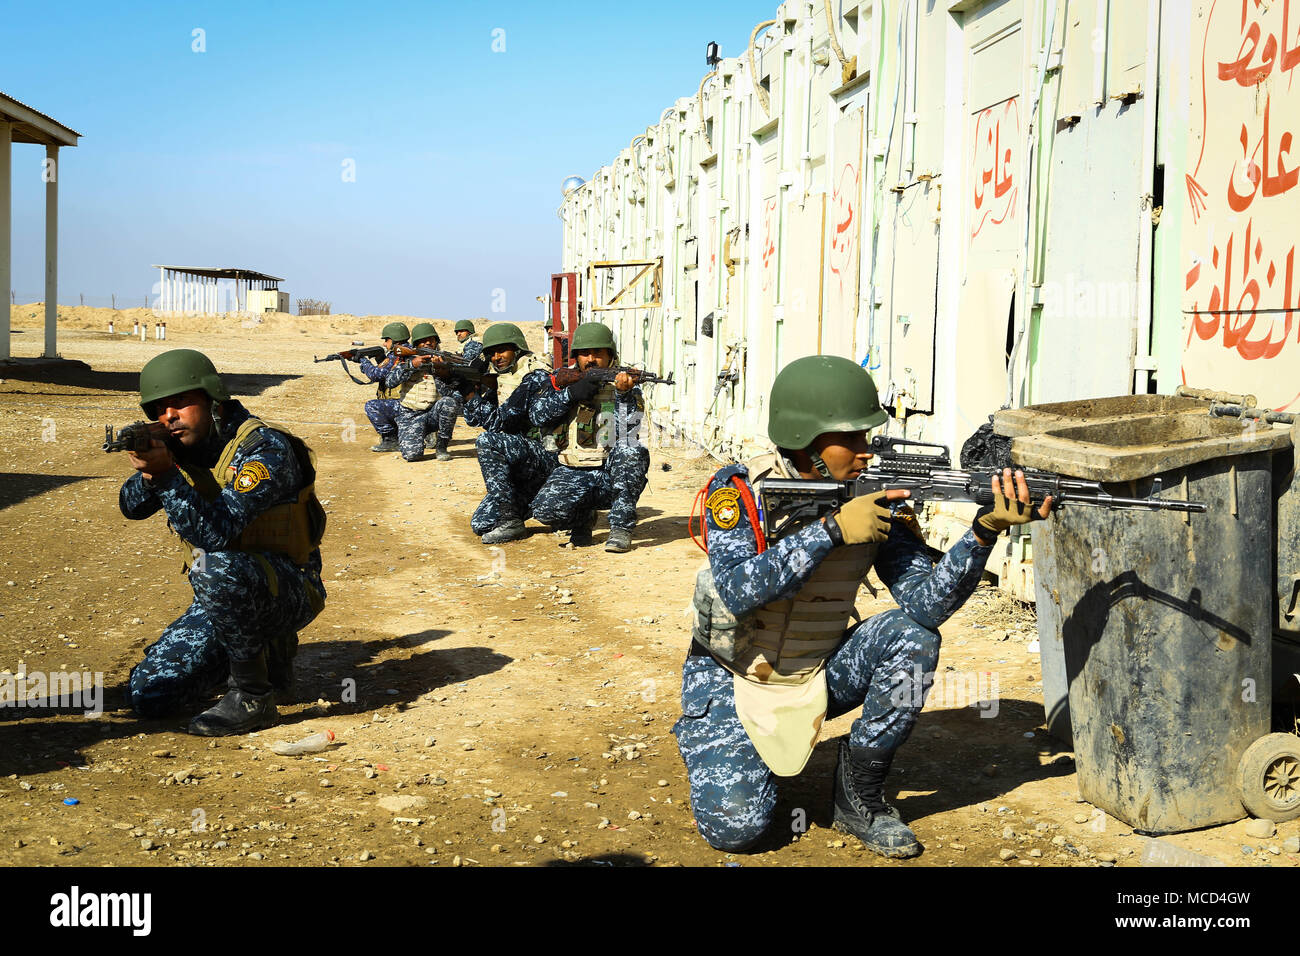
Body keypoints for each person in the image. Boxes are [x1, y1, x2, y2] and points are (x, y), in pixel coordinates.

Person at [674, 355, 1051, 857]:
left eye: (867, 439)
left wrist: (984, 532)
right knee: (739, 831)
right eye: (849, 439)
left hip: (816, 669)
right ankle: (715, 735)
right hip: (732, 674)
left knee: (913, 636)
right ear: (806, 439)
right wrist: (830, 531)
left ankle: (859, 795)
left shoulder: (878, 502)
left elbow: (925, 604)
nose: (864, 453)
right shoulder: (739, 491)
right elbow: (739, 588)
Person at [118, 349, 327, 736]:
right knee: (150, 697)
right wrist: (151, 470)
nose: (169, 416)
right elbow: (130, 507)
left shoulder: (264, 449)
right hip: (228, 597)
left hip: (290, 588)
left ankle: (252, 694)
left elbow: (216, 533)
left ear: (213, 399)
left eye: (180, 403)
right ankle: (258, 654)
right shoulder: (182, 450)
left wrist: (167, 476)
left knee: (212, 564)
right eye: (159, 409)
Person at [528, 322, 650, 553]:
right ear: (576, 356)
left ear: (610, 355)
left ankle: (620, 528)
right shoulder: (563, 379)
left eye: (598, 353)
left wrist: (623, 394)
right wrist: (570, 395)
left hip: (610, 471)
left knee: (631, 450)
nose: (591, 359)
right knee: (544, 511)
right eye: (585, 353)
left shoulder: (625, 383)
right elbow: (537, 415)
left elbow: (629, 430)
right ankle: (581, 519)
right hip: (572, 468)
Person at [462, 322, 556, 543]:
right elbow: (473, 419)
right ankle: (538, 500)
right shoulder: (504, 377)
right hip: (523, 461)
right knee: (481, 523)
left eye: (502, 350)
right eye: (491, 353)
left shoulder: (535, 376)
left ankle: (511, 520)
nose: (496, 357)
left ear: (518, 348)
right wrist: (472, 386)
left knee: (488, 441)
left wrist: (467, 393)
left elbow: (496, 421)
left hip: (546, 456)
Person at [423, 319, 484, 461]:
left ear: (469, 332)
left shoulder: (473, 345)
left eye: (461, 331)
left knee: (446, 398)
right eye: (456, 331)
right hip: (465, 381)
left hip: (470, 384)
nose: (458, 334)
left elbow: (467, 364)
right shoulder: (466, 345)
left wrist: (448, 363)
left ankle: (437, 436)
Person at [387, 322, 443, 462]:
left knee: (449, 403)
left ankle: (442, 446)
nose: (428, 343)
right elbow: (390, 381)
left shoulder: (442, 359)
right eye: (423, 341)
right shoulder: (407, 360)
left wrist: (442, 371)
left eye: (431, 340)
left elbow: (453, 393)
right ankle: (420, 433)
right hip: (411, 414)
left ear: (436, 341)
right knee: (412, 455)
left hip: (433, 413)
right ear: (416, 345)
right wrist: (411, 366)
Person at [360, 321, 410, 453]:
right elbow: (387, 369)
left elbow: (376, 374)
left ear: (395, 339)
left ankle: (390, 439)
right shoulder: (407, 352)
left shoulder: (398, 355)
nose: (384, 343)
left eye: (386, 340)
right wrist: (379, 358)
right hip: (410, 403)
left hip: (403, 404)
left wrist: (363, 361)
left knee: (372, 406)